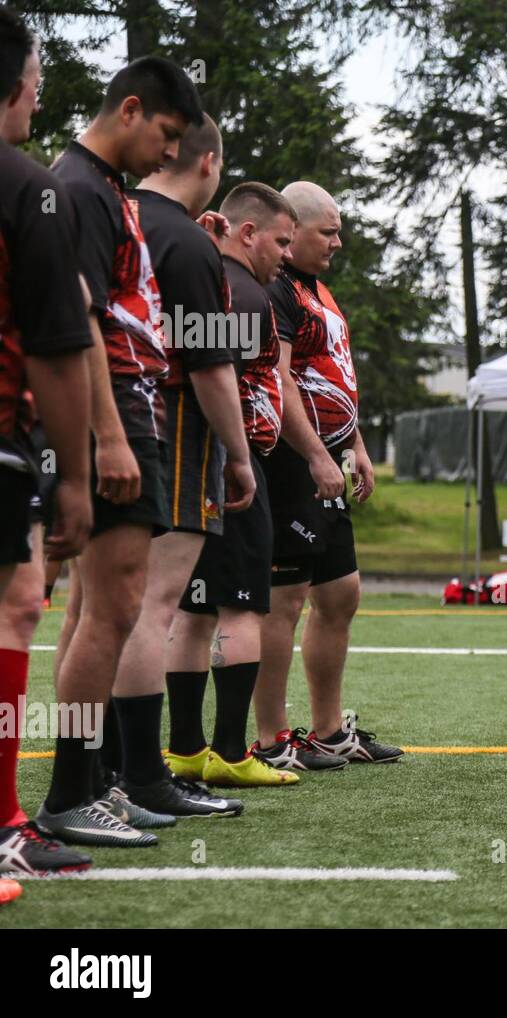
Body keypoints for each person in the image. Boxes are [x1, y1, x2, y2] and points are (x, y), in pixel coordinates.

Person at [37, 55, 202, 848]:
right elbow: (82, 320)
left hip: (130, 408)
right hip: (119, 412)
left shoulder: (102, 189)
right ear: (130, 110)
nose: (169, 154)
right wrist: (107, 432)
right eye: (166, 135)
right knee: (114, 607)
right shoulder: (79, 188)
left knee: (96, 607)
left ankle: (90, 781)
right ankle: (71, 791)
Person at [98, 113, 254, 820]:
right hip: (173, 432)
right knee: (147, 609)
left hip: (108, 424)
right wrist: (241, 456)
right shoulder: (187, 241)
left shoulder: (117, 213)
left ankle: (97, 772)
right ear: (208, 162)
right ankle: (139, 776)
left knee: (100, 611)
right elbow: (213, 366)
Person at [253, 181, 400, 768]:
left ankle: (328, 730)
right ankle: (271, 737)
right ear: (292, 234)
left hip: (331, 453)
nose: (338, 241)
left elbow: (331, 374)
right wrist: (314, 453)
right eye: (328, 231)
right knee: (283, 600)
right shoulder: (277, 290)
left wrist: (355, 444)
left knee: (340, 594)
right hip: (292, 460)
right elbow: (281, 378)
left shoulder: (321, 290)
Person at [0, 6, 95, 875]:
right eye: (35, 75)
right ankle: (0, 821)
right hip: (1, 438)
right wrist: (72, 474)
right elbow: (61, 347)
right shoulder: (29, 186)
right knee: (17, 599)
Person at [168, 182, 301, 786]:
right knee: (240, 609)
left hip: (194, 469)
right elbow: (217, 376)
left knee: (192, 610)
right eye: (280, 241)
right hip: (232, 468)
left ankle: (188, 748)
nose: (285, 255)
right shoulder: (245, 292)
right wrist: (240, 455)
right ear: (247, 233)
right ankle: (230, 752)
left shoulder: (208, 283)